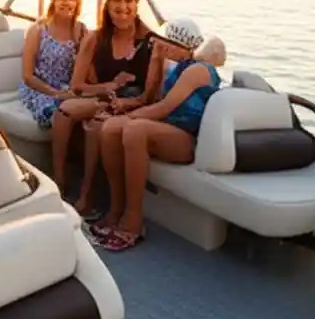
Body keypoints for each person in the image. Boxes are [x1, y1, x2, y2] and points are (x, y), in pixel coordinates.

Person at [91, 33, 227, 252]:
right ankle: (116, 210)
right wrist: (156, 60)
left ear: (184, 45)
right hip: (167, 129)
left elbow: (164, 108)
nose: (162, 45)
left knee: (134, 130)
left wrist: (128, 117)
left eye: (167, 42)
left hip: (189, 138)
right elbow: (151, 99)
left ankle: (133, 222)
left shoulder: (198, 70)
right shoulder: (177, 67)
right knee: (110, 129)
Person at [54, 0, 155, 211]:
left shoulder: (148, 41)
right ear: (107, 6)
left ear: (136, 5)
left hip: (131, 103)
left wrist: (127, 101)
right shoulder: (95, 38)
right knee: (63, 112)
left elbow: (152, 91)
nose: (122, 7)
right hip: (102, 96)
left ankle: (87, 192)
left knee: (96, 124)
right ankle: (58, 180)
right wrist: (109, 86)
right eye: (116, 0)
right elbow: (77, 86)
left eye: (128, 0)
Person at [18, 0, 87, 130]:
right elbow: (27, 76)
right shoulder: (38, 30)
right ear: (54, 2)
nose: (66, 2)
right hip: (39, 89)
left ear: (77, 4)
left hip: (68, 88)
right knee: (58, 113)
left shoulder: (81, 31)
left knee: (90, 113)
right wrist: (55, 93)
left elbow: (85, 67)